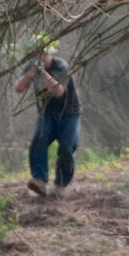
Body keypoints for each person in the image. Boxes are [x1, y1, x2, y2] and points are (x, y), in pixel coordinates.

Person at [14, 38, 80, 198]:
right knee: (38, 141)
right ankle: (40, 181)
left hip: (69, 113)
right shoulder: (31, 68)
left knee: (66, 147)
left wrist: (43, 73)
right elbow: (18, 88)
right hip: (47, 113)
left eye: (43, 53)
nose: (41, 56)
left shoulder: (60, 66)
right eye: (37, 53)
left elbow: (58, 92)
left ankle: (61, 185)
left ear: (50, 53)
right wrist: (29, 76)